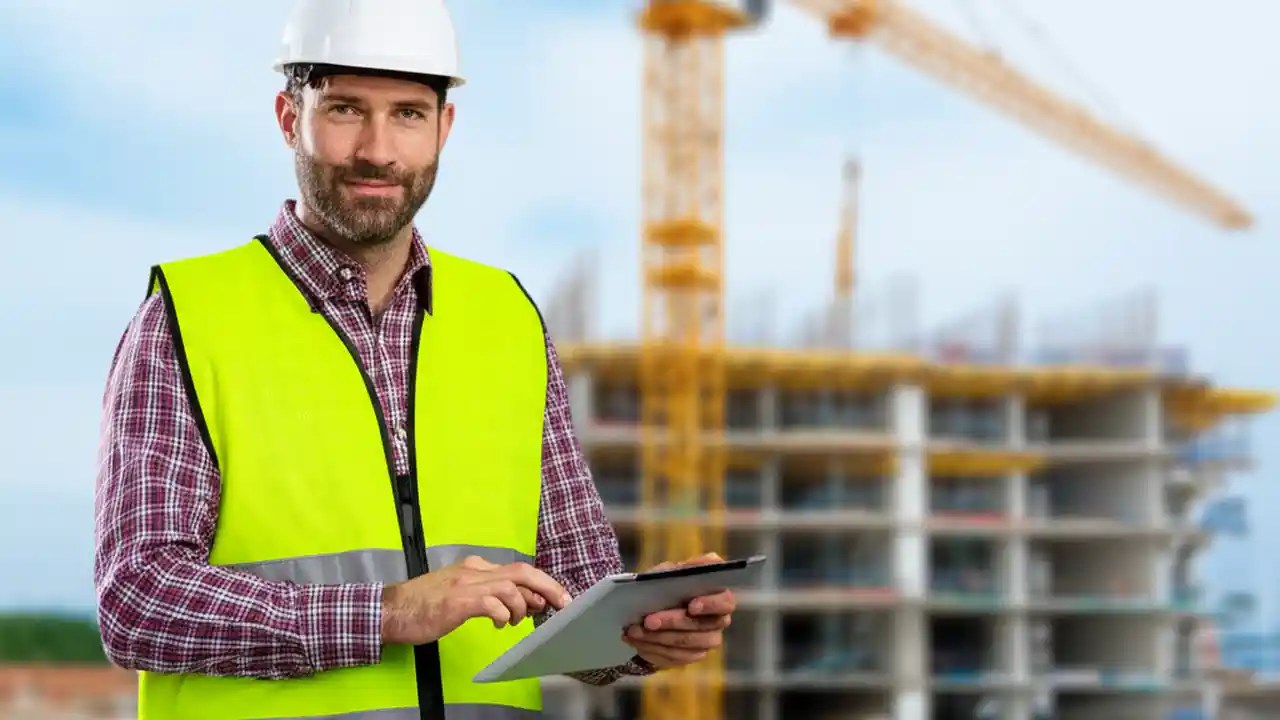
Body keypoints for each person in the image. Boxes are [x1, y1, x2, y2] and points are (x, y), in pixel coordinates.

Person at [91, 1, 735, 718]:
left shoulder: (508, 318)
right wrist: (385, 614)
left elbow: (573, 586)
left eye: (406, 114)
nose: (377, 150)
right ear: (287, 117)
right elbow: (137, 599)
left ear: (443, 128)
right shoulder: (187, 317)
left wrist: (642, 628)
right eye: (343, 110)